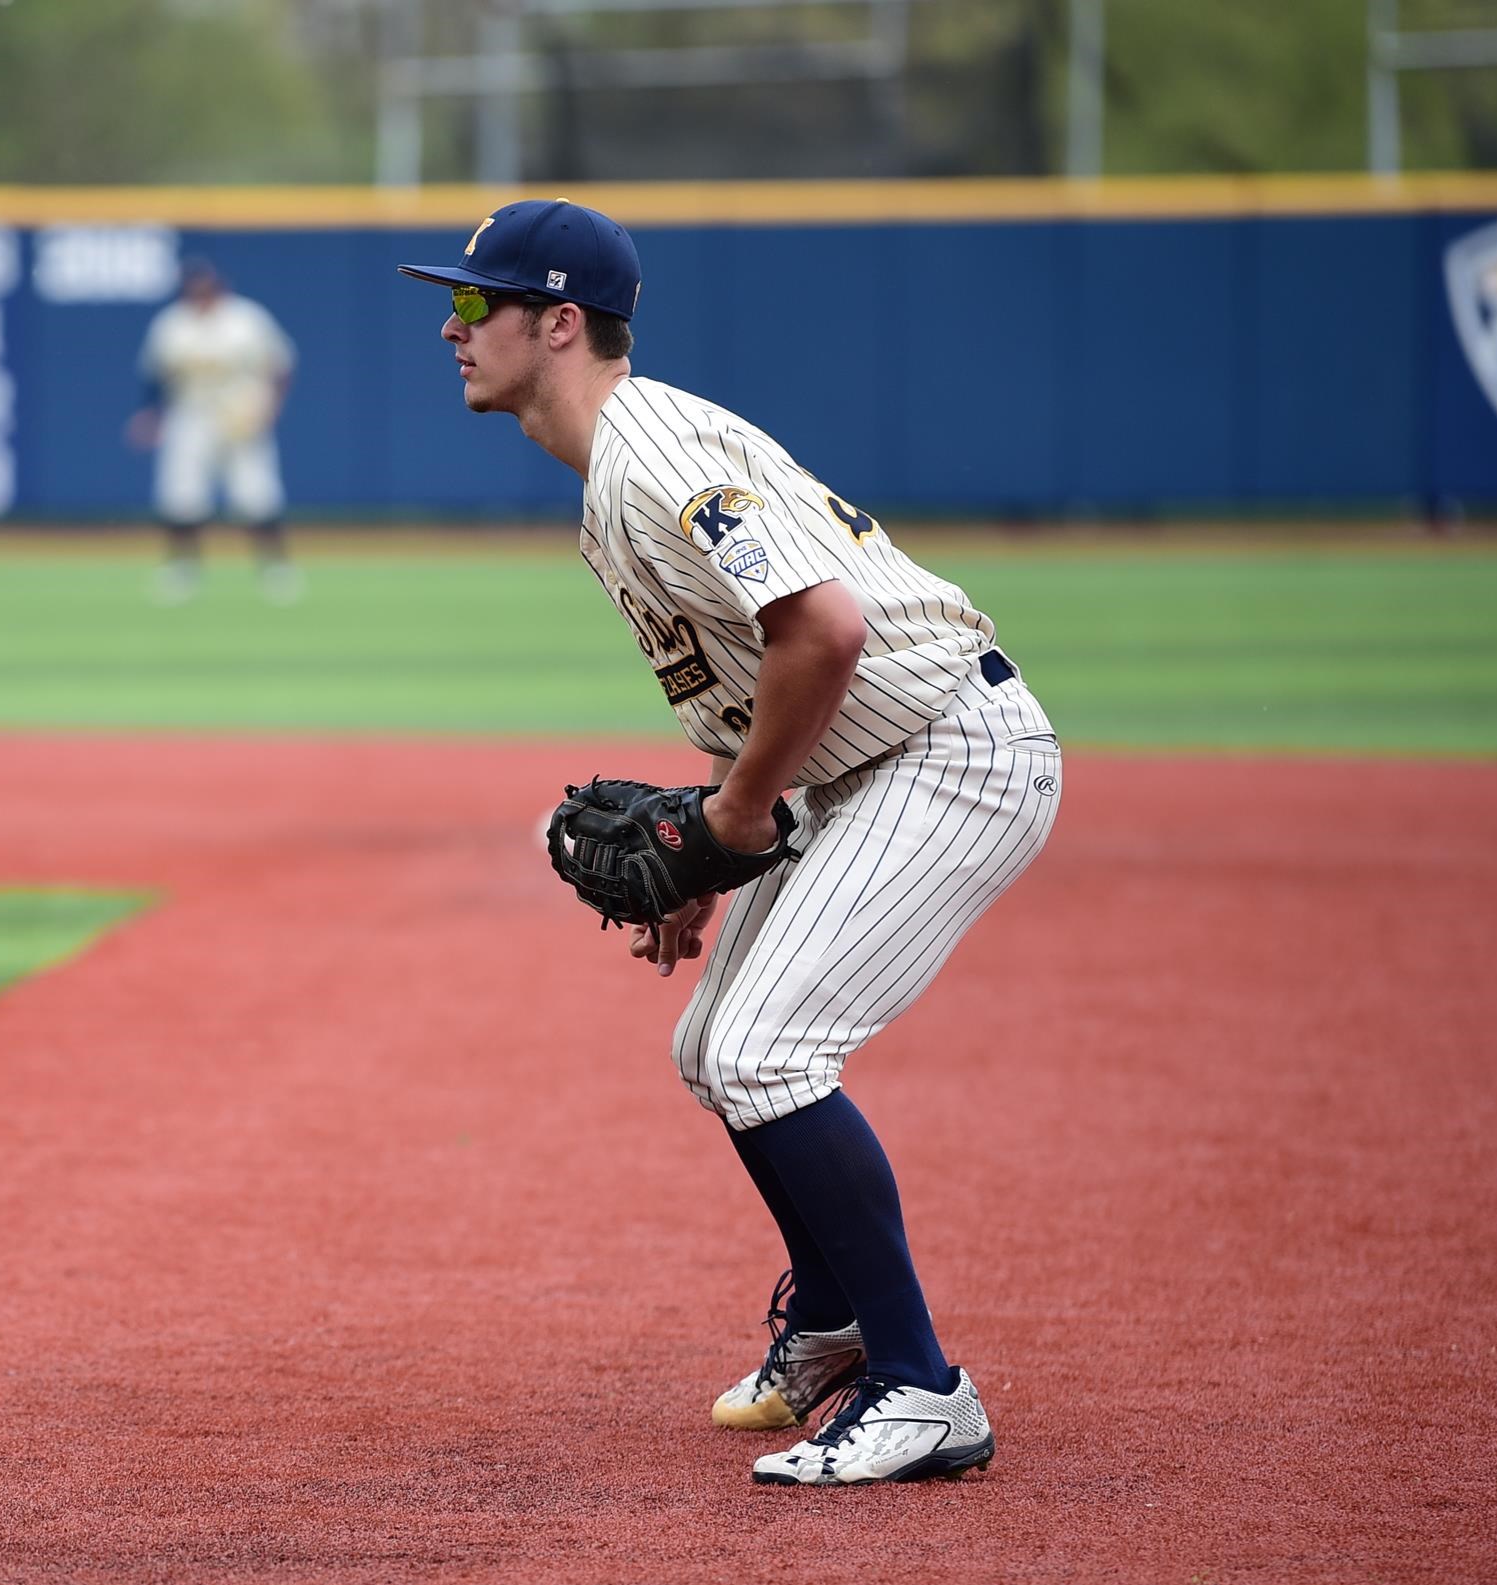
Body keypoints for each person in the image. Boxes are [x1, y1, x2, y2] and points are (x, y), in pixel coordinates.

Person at [400, 200, 1064, 1486]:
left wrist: (738, 816)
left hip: (947, 748)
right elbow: (752, 679)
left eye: (477, 302)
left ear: (560, 322)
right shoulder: (616, 469)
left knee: (768, 1050)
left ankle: (924, 1386)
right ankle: (834, 1318)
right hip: (860, 761)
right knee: (712, 1047)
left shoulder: (651, 455)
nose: (451, 325)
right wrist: (709, 852)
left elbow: (827, 629)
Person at [126, 259, 298, 604]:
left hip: (241, 414)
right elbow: (155, 376)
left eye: (206, 287)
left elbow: (281, 365)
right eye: (195, 288)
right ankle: (182, 569)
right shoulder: (172, 324)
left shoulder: (246, 319)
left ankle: (276, 569)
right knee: (181, 494)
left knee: (256, 493)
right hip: (191, 415)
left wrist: (271, 408)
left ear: (219, 287)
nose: (201, 294)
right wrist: (150, 415)